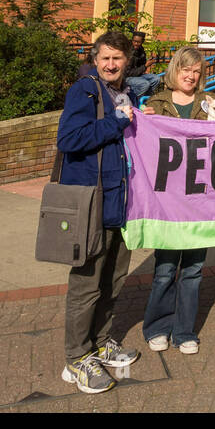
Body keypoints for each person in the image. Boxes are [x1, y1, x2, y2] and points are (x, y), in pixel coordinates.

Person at [56, 30, 141, 394]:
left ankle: (102, 342)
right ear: (95, 59)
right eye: (104, 58)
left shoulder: (130, 93)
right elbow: (69, 139)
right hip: (93, 200)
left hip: (123, 202)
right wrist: (118, 122)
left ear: (127, 61)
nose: (110, 64)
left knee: (114, 278)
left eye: (117, 58)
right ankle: (77, 357)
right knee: (87, 283)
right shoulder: (85, 90)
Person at [139, 47, 215, 355]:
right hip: (167, 200)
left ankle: (185, 331)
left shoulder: (208, 103)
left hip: (200, 198)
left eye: (197, 71)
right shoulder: (157, 104)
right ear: (176, 70)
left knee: (194, 269)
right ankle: (158, 326)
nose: (191, 75)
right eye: (187, 69)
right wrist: (142, 122)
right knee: (165, 268)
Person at [124, 31, 163, 101]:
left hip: (137, 75)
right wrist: (145, 66)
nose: (136, 44)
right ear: (132, 40)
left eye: (138, 42)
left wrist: (147, 62)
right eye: (134, 41)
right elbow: (128, 73)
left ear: (142, 42)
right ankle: (134, 100)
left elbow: (141, 65)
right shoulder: (128, 51)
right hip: (127, 77)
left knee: (156, 78)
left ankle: (145, 100)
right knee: (145, 84)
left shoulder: (141, 50)